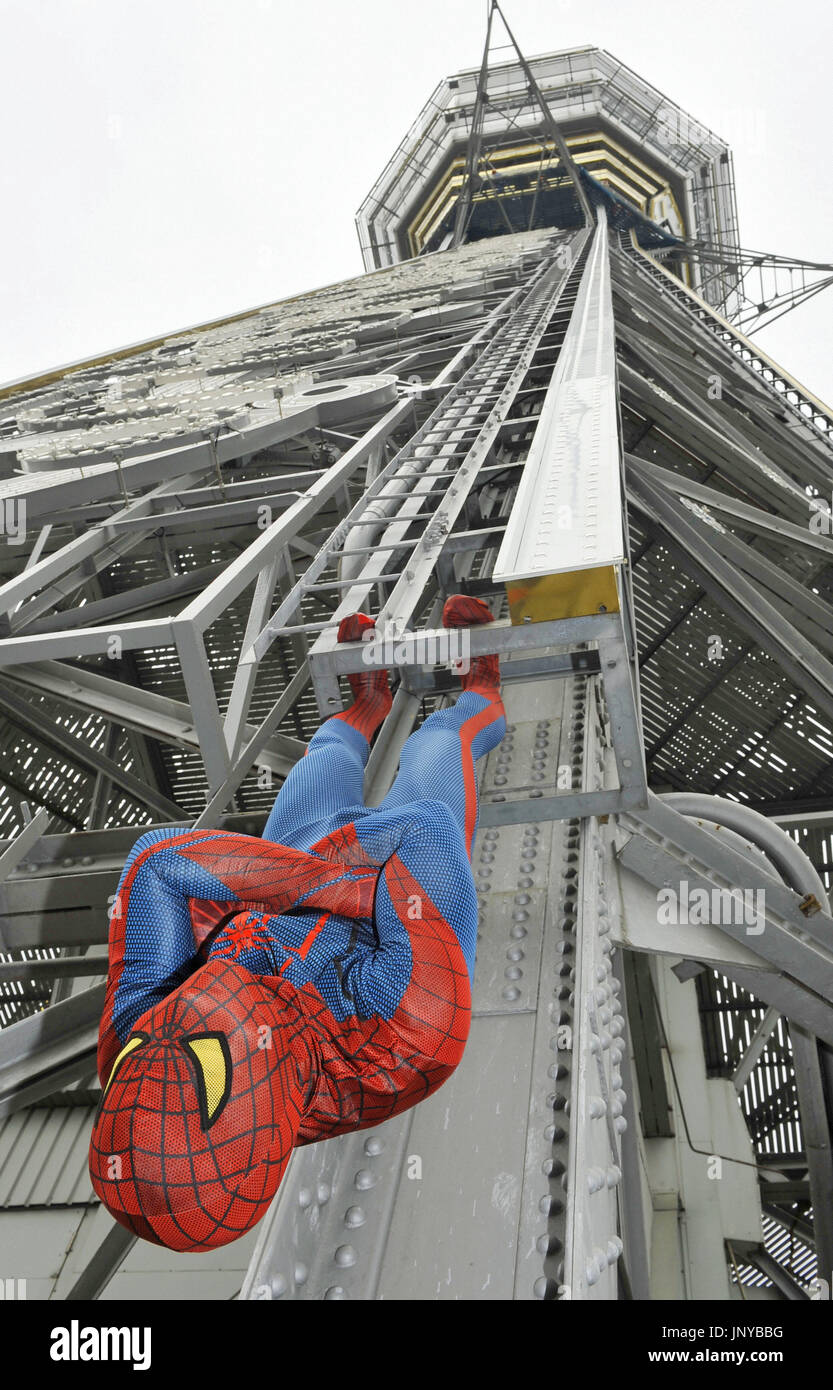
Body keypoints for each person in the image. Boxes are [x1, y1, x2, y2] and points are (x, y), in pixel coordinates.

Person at [88, 595, 506, 1252]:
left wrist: (321, 881)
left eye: (134, 1054)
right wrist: (319, 881)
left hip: (314, 865)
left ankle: (368, 701)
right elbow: (424, 835)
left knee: (330, 749)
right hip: (384, 884)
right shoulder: (408, 1039)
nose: (161, 1021)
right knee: (438, 742)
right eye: (202, 1052)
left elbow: (153, 862)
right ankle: (483, 677)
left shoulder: (133, 1042)